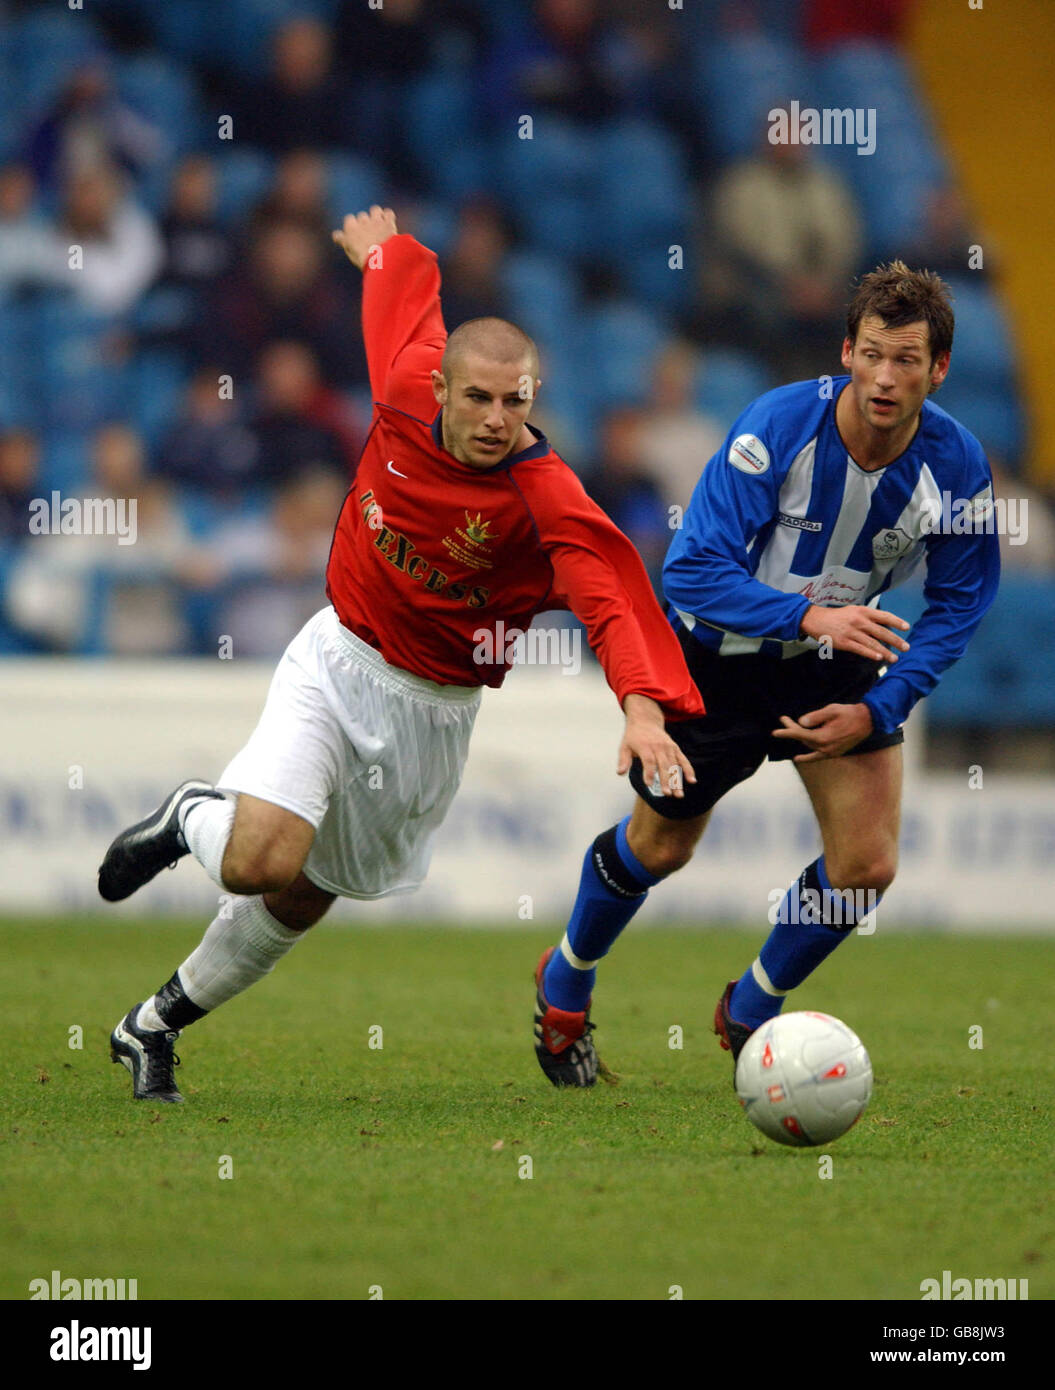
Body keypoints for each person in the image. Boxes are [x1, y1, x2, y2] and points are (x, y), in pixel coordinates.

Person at [98, 206, 703, 1103]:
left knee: (303, 897)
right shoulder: (401, 383)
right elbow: (402, 293)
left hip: (434, 711)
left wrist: (643, 705)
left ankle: (149, 1028)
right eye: (478, 398)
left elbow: (613, 600)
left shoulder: (546, 496)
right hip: (336, 659)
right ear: (444, 388)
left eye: (516, 401)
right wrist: (379, 246)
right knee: (257, 861)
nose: (496, 419)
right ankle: (193, 812)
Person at [534, 261, 1000, 1086]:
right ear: (846, 351)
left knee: (866, 867)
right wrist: (806, 615)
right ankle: (565, 978)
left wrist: (882, 703)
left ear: (940, 369)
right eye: (873, 355)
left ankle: (751, 1004)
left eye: (907, 361)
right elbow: (690, 571)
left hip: (841, 665)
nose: (886, 378)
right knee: (660, 849)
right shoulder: (776, 427)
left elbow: (959, 604)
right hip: (719, 657)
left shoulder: (956, 467)